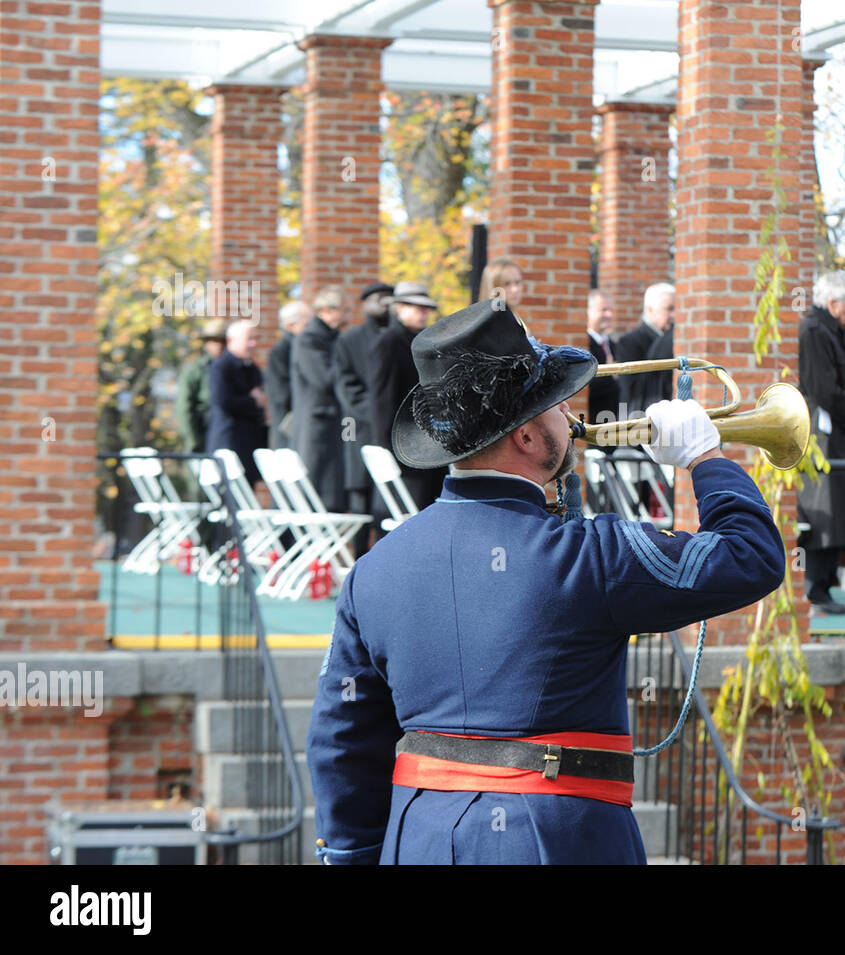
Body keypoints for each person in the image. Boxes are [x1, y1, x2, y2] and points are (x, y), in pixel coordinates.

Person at [306, 299, 785, 865]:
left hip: (419, 839)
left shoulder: (375, 568)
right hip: (557, 840)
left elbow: (341, 737)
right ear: (529, 440)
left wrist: (355, 854)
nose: (573, 419)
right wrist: (707, 458)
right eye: (558, 406)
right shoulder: (593, 555)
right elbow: (751, 555)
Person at [796, 271, 845, 615]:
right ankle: (814, 590)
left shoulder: (834, 333)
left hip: (837, 435)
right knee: (824, 512)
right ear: (833, 303)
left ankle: (823, 588)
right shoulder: (814, 332)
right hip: (821, 436)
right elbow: (824, 389)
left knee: (839, 512)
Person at [369, 281, 444, 513]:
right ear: (399, 308)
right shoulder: (388, 343)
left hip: (428, 442)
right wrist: (388, 446)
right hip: (403, 444)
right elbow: (382, 399)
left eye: (426, 308)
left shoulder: (426, 342)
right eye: (416, 307)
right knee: (406, 512)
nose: (423, 313)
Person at [335, 281, 394, 553]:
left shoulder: (397, 337)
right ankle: (358, 559)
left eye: (389, 298)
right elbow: (347, 388)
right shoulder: (349, 340)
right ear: (365, 304)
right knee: (361, 500)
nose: (385, 303)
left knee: (390, 500)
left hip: (393, 432)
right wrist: (380, 410)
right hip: (360, 431)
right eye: (378, 298)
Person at [291, 286, 349, 512]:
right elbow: (323, 379)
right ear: (327, 310)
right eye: (343, 310)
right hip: (317, 425)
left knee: (335, 484)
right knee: (316, 484)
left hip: (340, 424)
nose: (346, 316)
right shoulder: (309, 339)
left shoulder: (335, 338)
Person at [206, 319, 269, 483]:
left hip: (250, 444)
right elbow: (223, 402)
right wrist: (252, 400)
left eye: (256, 339)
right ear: (231, 340)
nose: (253, 344)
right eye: (249, 339)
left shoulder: (253, 369)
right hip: (229, 443)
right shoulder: (221, 367)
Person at [615, 283, 675, 417]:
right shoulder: (630, 342)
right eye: (669, 309)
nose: (674, 315)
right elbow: (633, 390)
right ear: (650, 309)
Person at [175, 319, 226, 452]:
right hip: (203, 435)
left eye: (223, 341)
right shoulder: (196, 370)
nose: (219, 346)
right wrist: (193, 441)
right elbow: (184, 407)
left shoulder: (234, 369)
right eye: (213, 340)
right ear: (206, 343)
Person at [267, 301, 311, 450]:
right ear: (290, 326)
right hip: (289, 425)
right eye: (307, 325)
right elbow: (282, 394)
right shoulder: (281, 352)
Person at [585, 289, 621, 446]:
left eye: (611, 310)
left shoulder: (614, 345)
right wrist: (611, 375)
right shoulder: (584, 345)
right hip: (592, 426)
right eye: (603, 310)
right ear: (589, 312)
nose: (609, 315)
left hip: (612, 427)